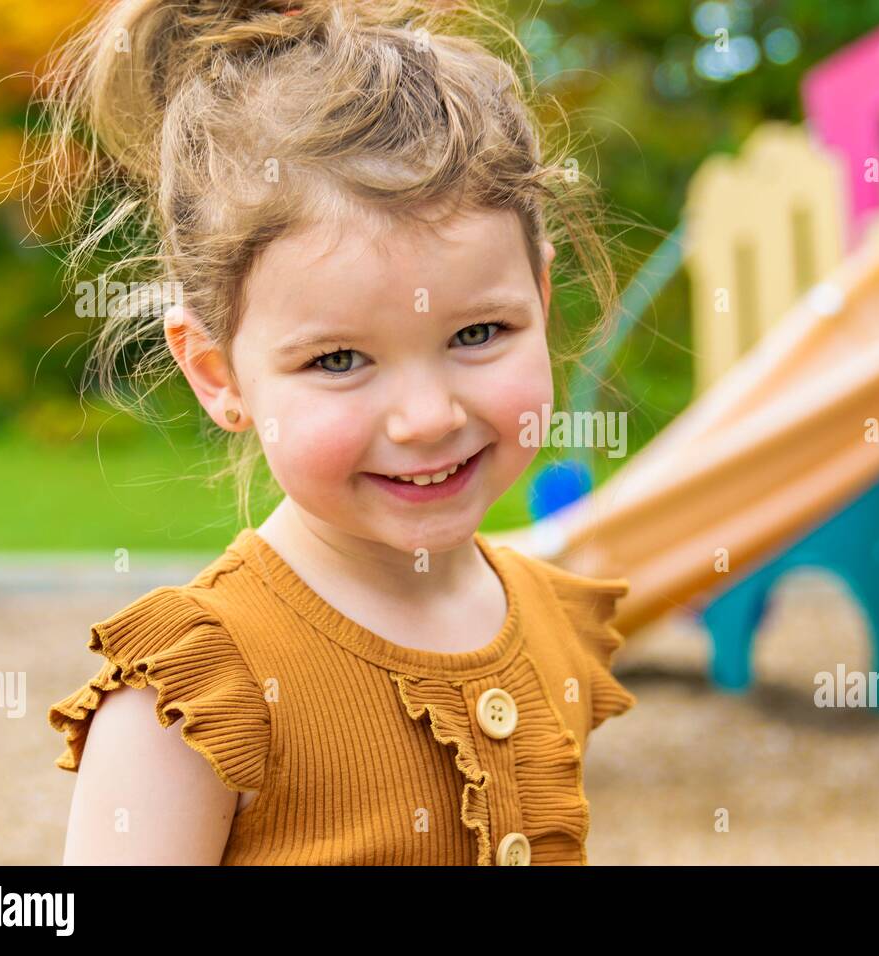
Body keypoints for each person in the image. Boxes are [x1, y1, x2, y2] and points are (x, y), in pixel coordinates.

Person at [31, 0, 636, 865]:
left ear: (540, 301)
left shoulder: (548, 622)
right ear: (218, 375)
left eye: (477, 335)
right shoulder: (195, 699)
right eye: (340, 359)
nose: (428, 417)